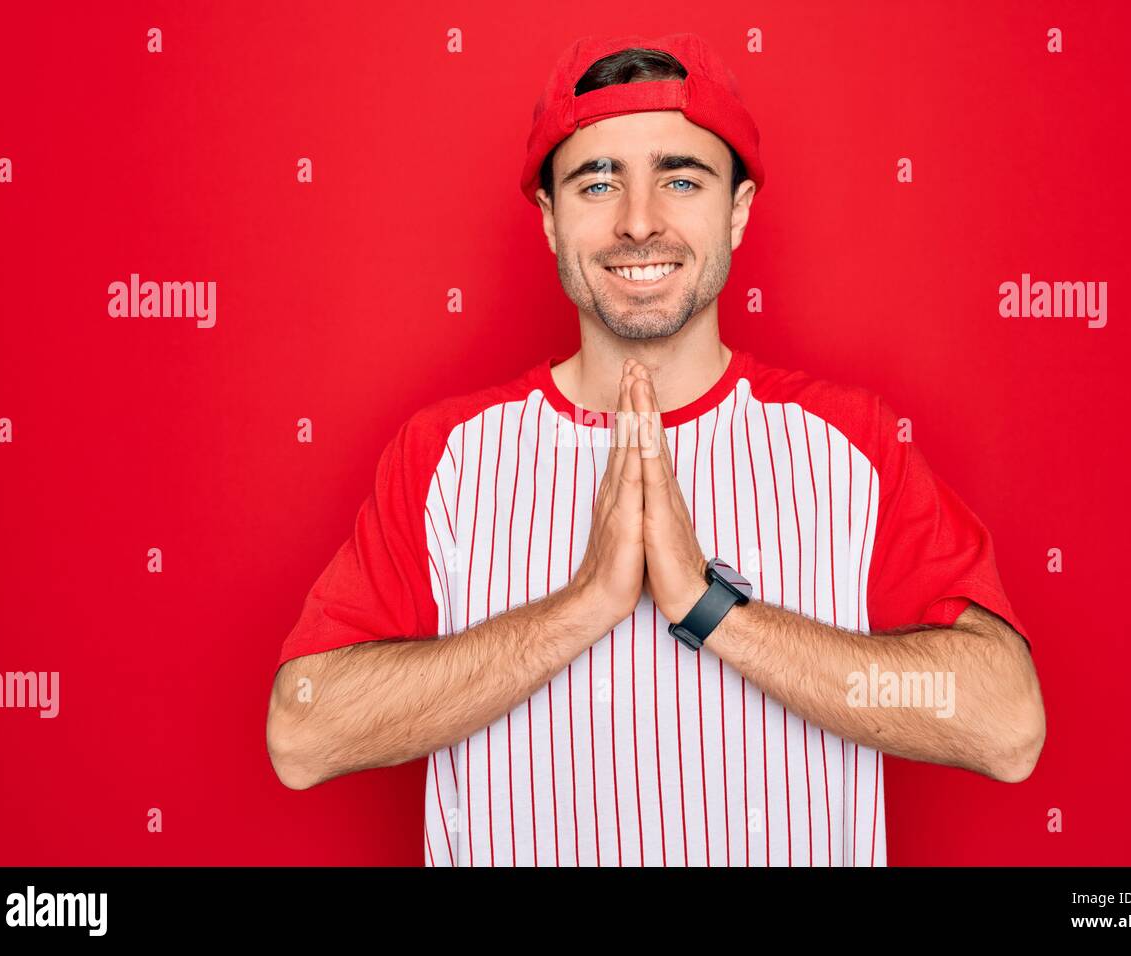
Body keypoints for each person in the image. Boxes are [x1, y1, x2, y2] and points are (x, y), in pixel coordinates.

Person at [265, 32, 1045, 867]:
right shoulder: (444, 456)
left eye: (681, 178)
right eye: (597, 183)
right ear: (551, 221)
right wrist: (584, 606)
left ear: (738, 211)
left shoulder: (850, 442)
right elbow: (303, 732)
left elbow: (1007, 726)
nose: (639, 222)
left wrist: (709, 610)